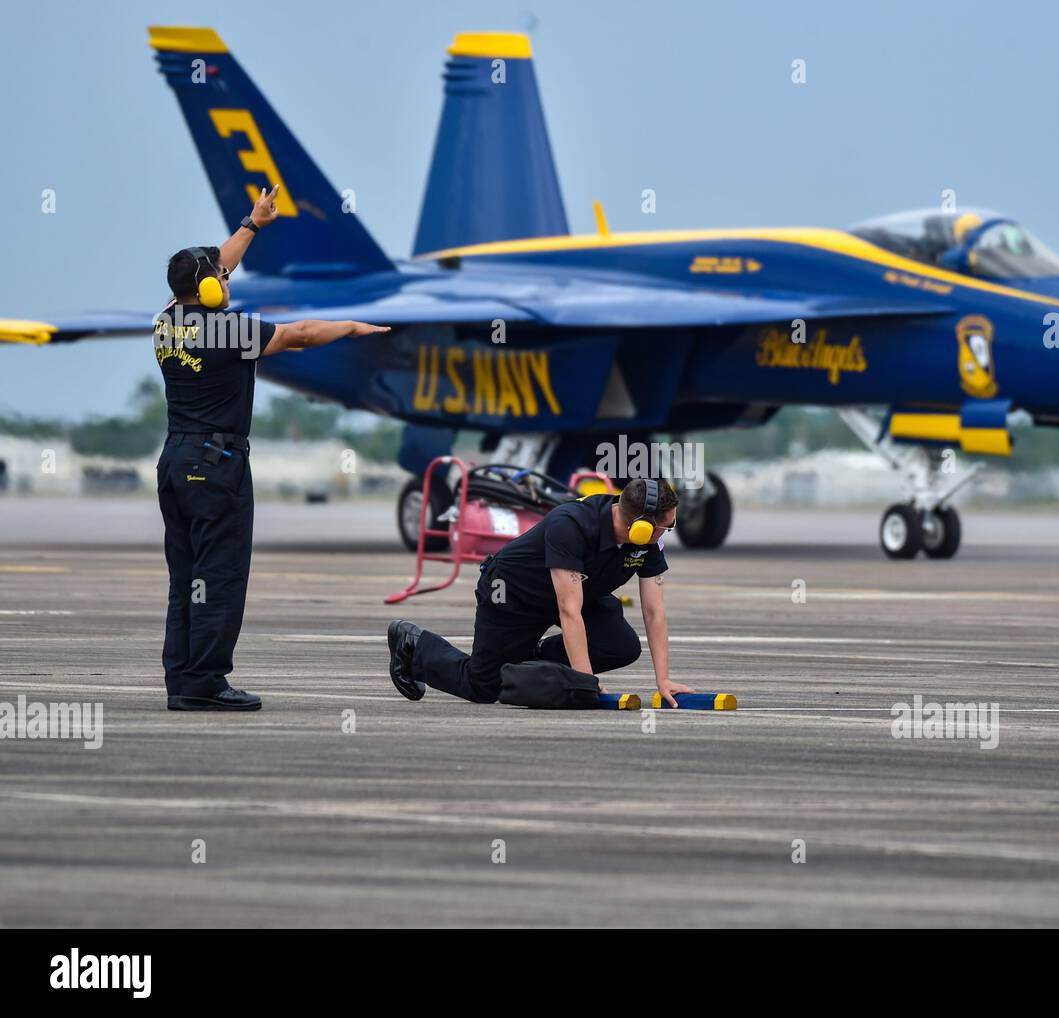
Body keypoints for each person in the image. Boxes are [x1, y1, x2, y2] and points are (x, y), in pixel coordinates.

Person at [156, 184, 391, 711]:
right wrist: (351, 326)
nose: (227, 275)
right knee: (219, 576)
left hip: (175, 460)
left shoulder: (166, 322)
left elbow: (215, 273)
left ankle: (182, 679)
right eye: (221, 274)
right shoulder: (231, 331)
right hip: (217, 466)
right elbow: (302, 333)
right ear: (213, 290)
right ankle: (206, 684)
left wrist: (253, 224)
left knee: (185, 578)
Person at [387, 477, 696, 707]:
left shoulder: (648, 541)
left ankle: (525, 660)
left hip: (582, 592)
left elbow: (654, 611)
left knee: (621, 645)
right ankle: (415, 646)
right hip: (513, 595)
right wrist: (585, 682)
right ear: (640, 526)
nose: (669, 531)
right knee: (483, 687)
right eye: (666, 526)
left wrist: (663, 679)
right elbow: (568, 610)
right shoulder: (571, 524)